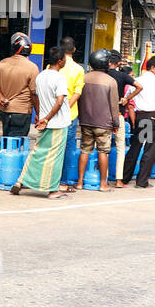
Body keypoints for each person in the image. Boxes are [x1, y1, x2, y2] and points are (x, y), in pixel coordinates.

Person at [11, 46, 71, 199]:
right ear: (59, 61)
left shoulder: (41, 75)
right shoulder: (59, 78)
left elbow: (34, 96)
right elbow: (59, 101)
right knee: (55, 156)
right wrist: (47, 118)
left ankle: (21, 181)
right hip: (57, 122)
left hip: (44, 120)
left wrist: (40, 115)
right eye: (64, 58)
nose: (65, 61)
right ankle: (52, 189)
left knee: (38, 152)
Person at [73, 49, 119, 193]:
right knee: (103, 152)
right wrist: (115, 123)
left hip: (86, 121)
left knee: (85, 150)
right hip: (103, 124)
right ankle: (103, 184)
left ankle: (80, 182)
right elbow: (114, 105)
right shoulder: (110, 81)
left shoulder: (84, 78)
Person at [121, 55, 155, 188]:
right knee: (150, 150)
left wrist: (133, 121)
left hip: (140, 117)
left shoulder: (136, 81)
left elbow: (129, 104)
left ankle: (124, 178)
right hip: (152, 118)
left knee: (135, 147)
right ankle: (142, 181)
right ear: (152, 68)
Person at [0, 34, 37, 138]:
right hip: (22, 111)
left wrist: (1, 97)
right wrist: (38, 112)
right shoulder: (32, 68)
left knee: (6, 139)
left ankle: (1, 153)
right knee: (15, 144)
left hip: (4, 110)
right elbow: (34, 93)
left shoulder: (2, 63)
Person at [106, 50, 141, 188]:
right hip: (119, 115)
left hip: (102, 116)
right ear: (119, 63)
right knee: (120, 148)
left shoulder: (102, 75)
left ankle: (103, 179)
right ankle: (119, 181)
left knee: (103, 148)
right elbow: (139, 87)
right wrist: (127, 99)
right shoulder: (122, 76)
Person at [57, 37, 85, 192]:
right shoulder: (78, 69)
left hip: (53, 113)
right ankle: (63, 182)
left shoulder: (53, 66)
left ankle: (51, 180)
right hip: (70, 115)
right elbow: (77, 94)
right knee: (68, 149)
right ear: (74, 50)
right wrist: (65, 108)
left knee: (54, 147)